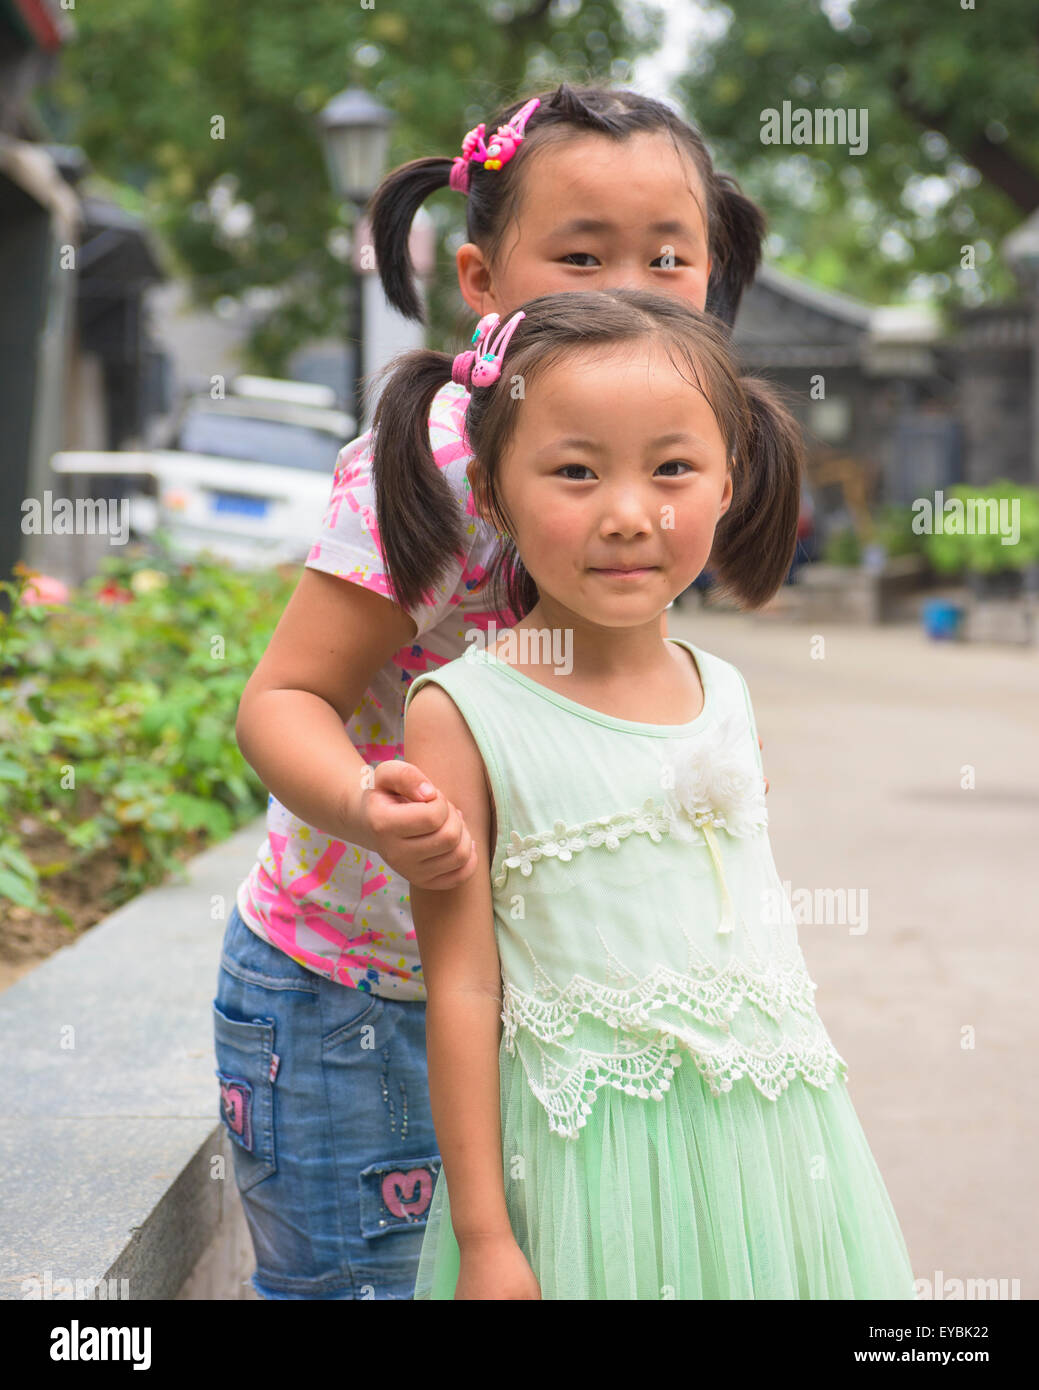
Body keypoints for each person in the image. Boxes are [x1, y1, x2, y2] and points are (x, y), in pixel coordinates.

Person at [216, 82, 768, 1300]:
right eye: (581, 255)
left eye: (666, 257)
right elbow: (281, 700)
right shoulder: (438, 463)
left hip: (537, 1001)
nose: (626, 285)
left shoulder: (661, 451)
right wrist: (372, 809)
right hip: (357, 990)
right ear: (479, 279)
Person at [401, 288, 917, 1300]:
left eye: (672, 468)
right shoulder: (462, 713)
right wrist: (485, 1237)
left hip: (771, 1150)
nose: (628, 514)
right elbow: (461, 987)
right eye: (575, 472)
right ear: (495, 497)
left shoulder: (722, 690)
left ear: (728, 484)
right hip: (591, 1166)